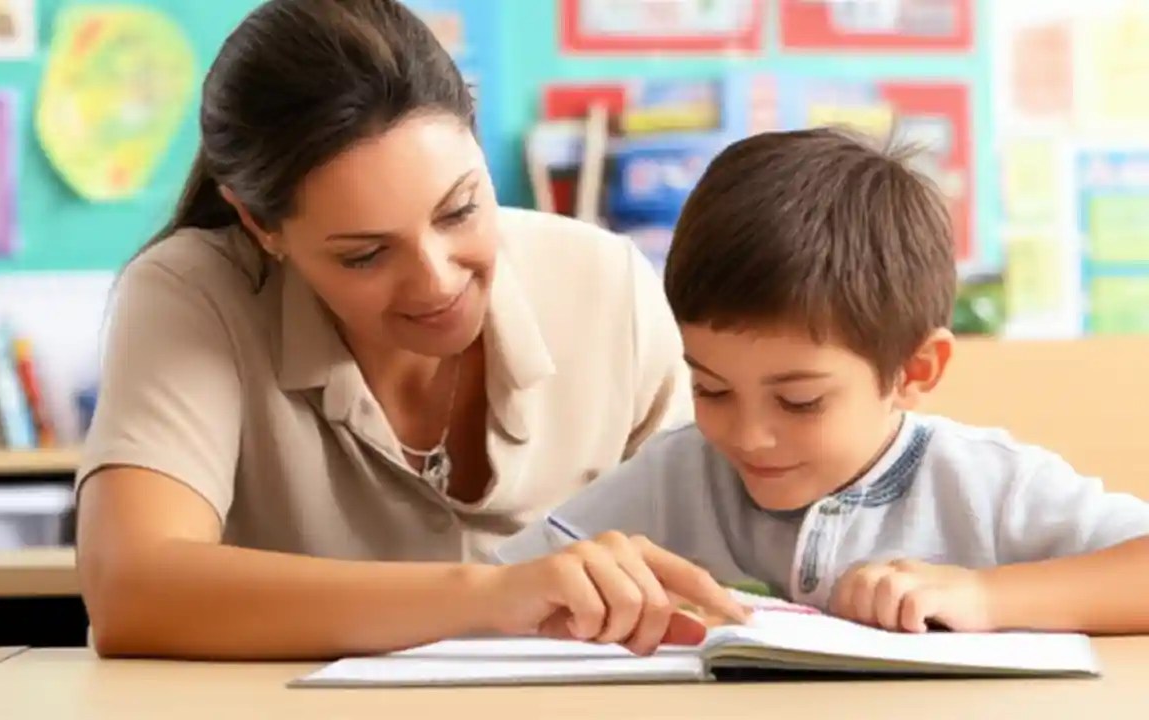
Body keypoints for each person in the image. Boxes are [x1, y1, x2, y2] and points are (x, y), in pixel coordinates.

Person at [75, 0, 748, 661]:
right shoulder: (194, 294)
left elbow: (740, 550)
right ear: (260, 226)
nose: (435, 282)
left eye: (459, 211)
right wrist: (488, 597)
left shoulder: (607, 285)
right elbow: (132, 590)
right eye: (364, 255)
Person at [493, 128, 1149, 634]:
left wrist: (986, 596)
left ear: (915, 371)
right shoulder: (676, 476)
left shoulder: (987, 485)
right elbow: (499, 586)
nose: (747, 435)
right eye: (711, 389)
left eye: (799, 400)